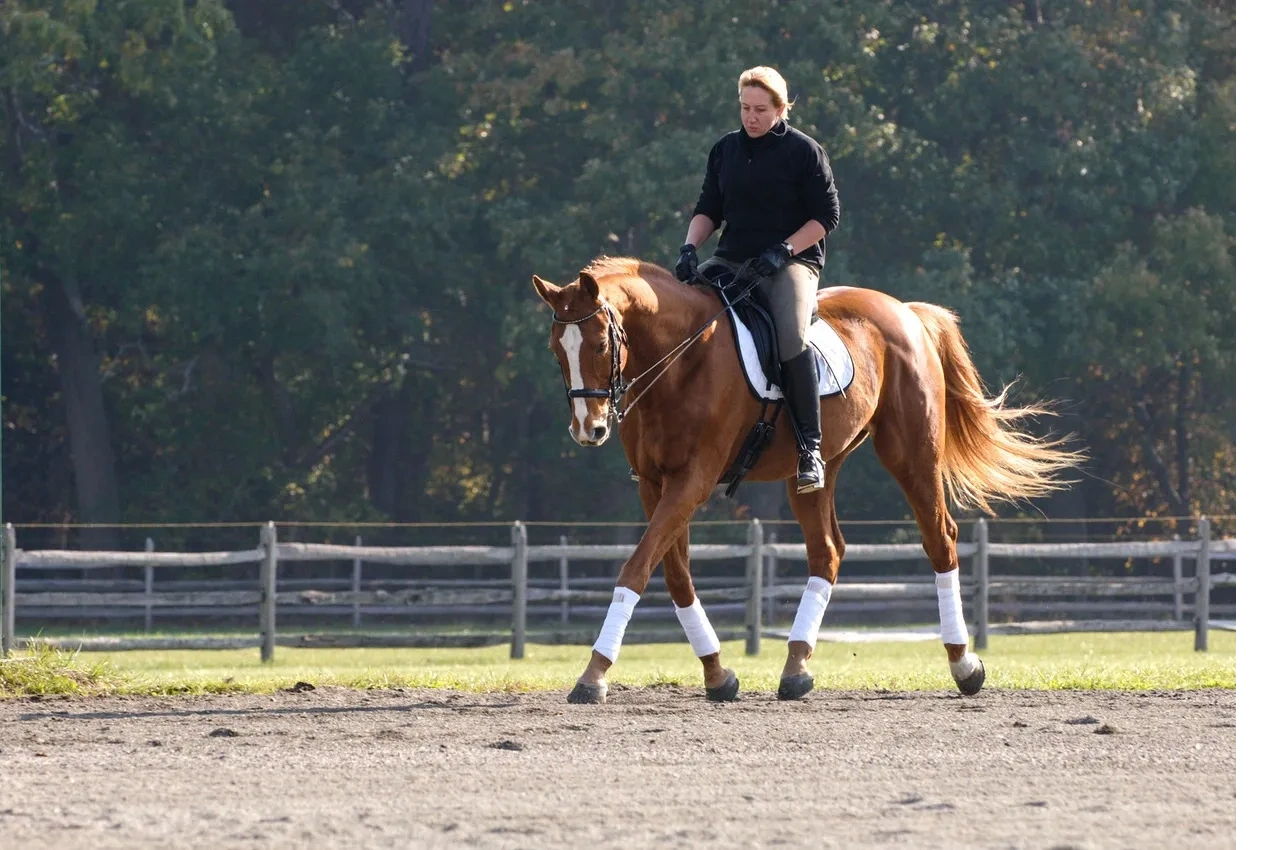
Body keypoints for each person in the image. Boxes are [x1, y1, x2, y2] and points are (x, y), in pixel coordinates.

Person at [673, 65, 841, 493]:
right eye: (745, 108)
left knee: (791, 337)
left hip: (792, 263)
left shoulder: (805, 151)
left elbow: (827, 216)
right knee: (680, 318)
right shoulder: (725, 150)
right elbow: (709, 207)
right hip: (731, 260)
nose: (751, 117)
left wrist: (783, 250)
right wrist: (690, 247)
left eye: (761, 109)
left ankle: (810, 450)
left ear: (782, 108)